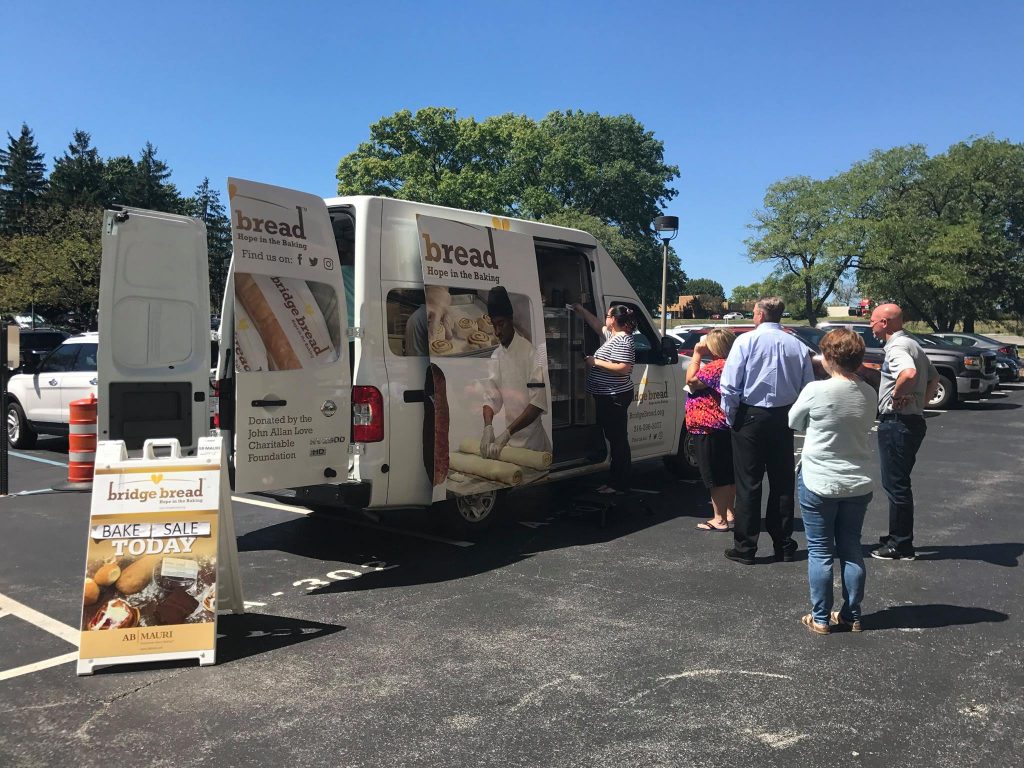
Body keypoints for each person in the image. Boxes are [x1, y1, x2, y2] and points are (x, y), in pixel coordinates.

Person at [789, 329, 878, 634]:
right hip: (857, 480)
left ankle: (821, 617)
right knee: (852, 548)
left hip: (819, 478)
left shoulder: (816, 390)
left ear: (828, 358)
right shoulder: (869, 392)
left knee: (820, 551)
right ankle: (852, 614)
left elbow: (793, 421)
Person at [719, 297, 814, 565]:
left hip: (750, 415)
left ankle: (746, 547)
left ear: (760, 315)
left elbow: (730, 385)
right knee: (782, 482)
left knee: (748, 483)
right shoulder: (797, 345)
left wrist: (732, 416)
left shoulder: (745, 341)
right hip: (784, 416)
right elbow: (808, 386)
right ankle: (783, 544)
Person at [869, 303, 938, 561]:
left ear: (884, 323)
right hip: (912, 421)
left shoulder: (897, 347)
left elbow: (909, 373)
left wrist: (897, 396)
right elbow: (934, 377)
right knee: (898, 482)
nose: (870, 326)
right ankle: (896, 535)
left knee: (896, 484)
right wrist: (921, 404)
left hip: (897, 423)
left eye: (872, 321)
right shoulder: (912, 344)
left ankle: (901, 544)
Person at [479, 286, 551, 458]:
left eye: (501, 324)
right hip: (511, 446)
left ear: (511, 320)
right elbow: (491, 398)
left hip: (533, 446)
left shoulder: (531, 354)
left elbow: (537, 404)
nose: (497, 332)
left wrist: (507, 433)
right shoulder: (496, 355)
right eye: (494, 325)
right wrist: (488, 427)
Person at [573, 303, 636, 494]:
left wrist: (595, 362)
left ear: (614, 320)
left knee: (618, 440)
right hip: (606, 396)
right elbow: (596, 325)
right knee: (614, 438)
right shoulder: (613, 336)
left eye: (608, 316)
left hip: (614, 396)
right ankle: (614, 481)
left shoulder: (623, 340)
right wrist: (580, 310)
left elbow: (624, 368)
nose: (605, 319)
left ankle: (619, 483)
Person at [684, 329, 737, 531]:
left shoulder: (717, 366)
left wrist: (697, 355)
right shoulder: (732, 363)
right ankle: (730, 512)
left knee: (715, 476)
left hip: (709, 426)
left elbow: (691, 380)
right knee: (728, 473)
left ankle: (719, 519)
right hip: (724, 425)